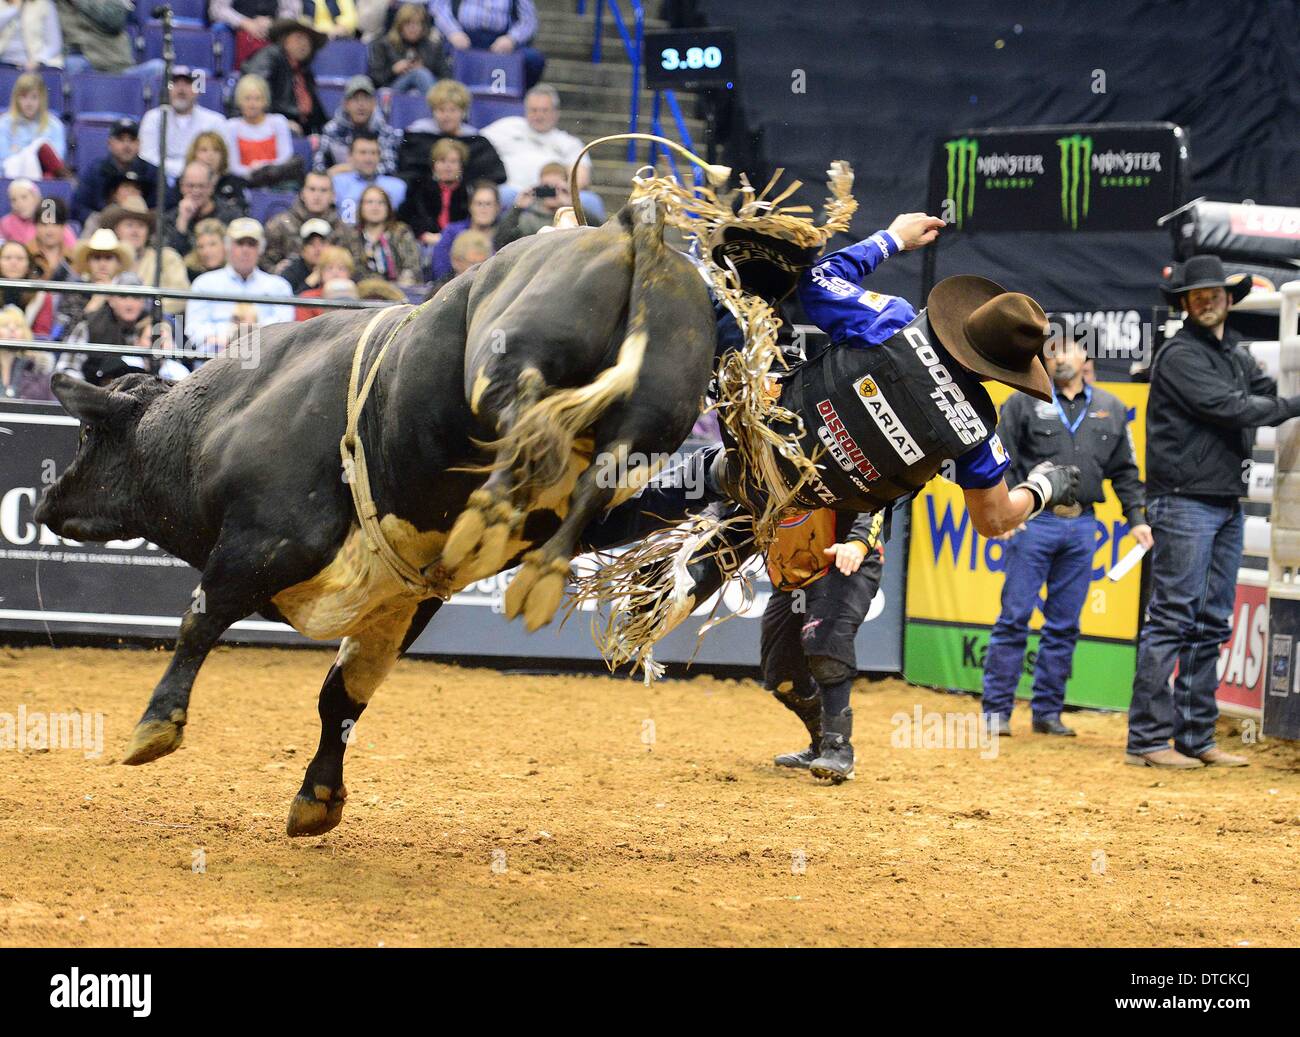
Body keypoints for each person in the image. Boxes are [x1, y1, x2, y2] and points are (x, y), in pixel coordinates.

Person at [1127, 255, 1300, 769]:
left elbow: (1256, 396)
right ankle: (1149, 739)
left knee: (1209, 620)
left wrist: (1260, 401)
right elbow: (1234, 407)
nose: (1206, 301)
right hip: (1184, 498)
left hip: (1219, 499)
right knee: (1176, 616)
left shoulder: (1232, 353)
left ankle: (1193, 735)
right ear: (1184, 303)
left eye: (1214, 294)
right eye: (1197, 295)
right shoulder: (1180, 355)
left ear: (1227, 300)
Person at [981, 339, 1151, 737]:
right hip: (1034, 521)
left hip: (1083, 527)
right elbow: (999, 456)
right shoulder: (1023, 401)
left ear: (1085, 357)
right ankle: (996, 713)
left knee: (1063, 625)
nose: (1059, 358)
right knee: (1014, 617)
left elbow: (1125, 472)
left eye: (1068, 349)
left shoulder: (1109, 408)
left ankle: (1048, 713)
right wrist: (1007, 512)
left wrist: (1138, 519)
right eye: (1051, 351)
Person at [186, 216, 294, 351]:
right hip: (216, 358)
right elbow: (194, 330)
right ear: (228, 247)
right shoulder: (204, 284)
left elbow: (284, 330)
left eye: (251, 244)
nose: (245, 250)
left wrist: (250, 333)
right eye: (240, 243)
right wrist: (229, 336)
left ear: (260, 249)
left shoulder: (279, 286)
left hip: (265, 357)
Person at [481, 85, 592, 196]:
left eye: (544, 110)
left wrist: (560, 193)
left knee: (589, 200)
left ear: (556, 112)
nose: (539, 115)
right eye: (534, 110)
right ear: (525, 110)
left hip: (549, 196)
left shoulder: (569, 143)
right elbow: (475, 143)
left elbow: (580, 178)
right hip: (509, 194)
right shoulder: (507, 126)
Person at [100, 197, 191, 316]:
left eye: (141, 226)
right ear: (116, 229)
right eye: (129, 225)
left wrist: (145, 310)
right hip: (112, 325)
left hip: (159, 322)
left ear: (148, 232)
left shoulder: (167, 257)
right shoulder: (105, 259)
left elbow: (180, 297)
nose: (135, 231)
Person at [139, 67, 230, 182]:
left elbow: (223, 159)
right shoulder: (153, 117)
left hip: (204, 181)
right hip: (161, 181)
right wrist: (186, 170)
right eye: (175, 84)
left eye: (187, 84)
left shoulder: (216, 121)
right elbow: (146, 156)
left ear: (197, 89)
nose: (181, 90)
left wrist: (194, 173)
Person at [262, 169, 365, 270]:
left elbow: (357, 265)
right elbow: (262, 260)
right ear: (302, 194)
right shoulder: (280, 224)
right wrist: (274, 270)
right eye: (312, 189)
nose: (317, 196)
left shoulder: (344, 230)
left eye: (323, 190)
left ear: (333, 196)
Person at [242, 18, 329, 136]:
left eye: (309, 41)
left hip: (299, 130)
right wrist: (280, 123)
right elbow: (254, 93)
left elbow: (317, 115)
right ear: (285, 40)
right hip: (266, 126)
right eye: (299, 38)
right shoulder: (270, 57)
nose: (304, 44)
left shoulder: (304, 73)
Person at [431, 0, 544, 90]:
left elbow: (529, 21)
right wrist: (453, 32)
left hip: (501, 40)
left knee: (534, 59)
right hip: (462, 37)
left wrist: (511, 38)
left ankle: (518, 102)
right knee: (439, 57)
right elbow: (439, 8)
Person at [72, 118, 160, 224]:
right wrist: (103, 220)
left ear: (139, 144)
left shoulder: (151, 172)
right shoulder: (96, 170)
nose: (126, 145)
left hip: (143, 227)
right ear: (110, 143)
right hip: (103, 229)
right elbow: (78, 207)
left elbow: (164, 206)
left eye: (132, 139)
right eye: (121, 139)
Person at [313, 75, 401, 176]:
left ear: (374, 103)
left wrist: (354, 170)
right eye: (355, 99)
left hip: (373, 185)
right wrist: (330, 173)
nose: (361, 105)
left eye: (366, 99)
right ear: (346, 104)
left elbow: (390, 167)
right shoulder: (332, 129)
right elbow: (318, 165)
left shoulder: (385, 131)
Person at [54, 0, 165, 78]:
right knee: (73, 63)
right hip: (86, 68)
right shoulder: (55, 5)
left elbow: (115, 19)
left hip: (119, 67)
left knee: (159, 68)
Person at [223, 74, 298, 187]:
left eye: (258, 99)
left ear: (265, 101)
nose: (252, 104)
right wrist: (253, 172)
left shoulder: (278, 121)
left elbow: (285, 158)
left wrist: (264, 168)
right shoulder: (231, 126)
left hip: (276, 181)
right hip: (245, 182)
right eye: (247, 99)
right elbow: (233, 166)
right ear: (239, 101)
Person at [58, 226, 133, 335]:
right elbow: (67, 332)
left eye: (108, 258)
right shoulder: (74, 292)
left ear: (118, 263)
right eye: (97, 258)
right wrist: (94, 304)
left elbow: (133, 330)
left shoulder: (127, 292)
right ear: (88, 262)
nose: (102, 264)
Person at [164, 161, 245, 258]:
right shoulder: (169, 219)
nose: (196, 191)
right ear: (182, 187)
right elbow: (171, 258)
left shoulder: (232, 215)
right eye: (190, 186)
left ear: (211, 187)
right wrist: (182, 221)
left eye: (201, 186)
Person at [397, 137, 468, 244]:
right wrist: (422, 235)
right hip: (424, 244)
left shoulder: (469, 192)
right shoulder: (418, 188)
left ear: (461, 166)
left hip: (461, 243)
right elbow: (407, 218)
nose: (448, 166)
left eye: (453, 161)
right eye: (442, 161)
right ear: (433, 165)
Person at [368, 4, 448, 93]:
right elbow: (374, 80)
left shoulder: (433, 47)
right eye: (408, 23)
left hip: (423, 88)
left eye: (417, 24)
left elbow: (446, 79)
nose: (413, 28)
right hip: (392, 91)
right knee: (419, 74)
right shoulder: (383, 44)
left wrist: (425, 69)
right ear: (399, 25)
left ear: (423, 27)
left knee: (421, 73)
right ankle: (436, 104)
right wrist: (393, 70)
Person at [0, 71, 66, 179]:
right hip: (14, 178)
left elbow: (57, 161)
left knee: (45, 153)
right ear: (16, 98)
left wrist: (18, 150)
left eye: (34, 97)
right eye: (24, 97)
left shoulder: (55, 125)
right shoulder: (4, 124)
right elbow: (2, 162)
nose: (29, 103)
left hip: (44, 178)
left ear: (42, 99)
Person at [430, 178, 499, 279]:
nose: (483, 209)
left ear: (497, 208)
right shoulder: (452, 232)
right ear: (470, 206)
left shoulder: (503, 235)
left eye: (488, 204)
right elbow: (440, 269)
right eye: (479, 204)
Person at [355, 185, 421, 285]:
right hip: (362, 289)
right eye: (369, 202)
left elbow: (412, 266)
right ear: (361, 207)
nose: (375, 207)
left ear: (388, 207)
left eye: (381, 202)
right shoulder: (351, 236)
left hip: (399, 289)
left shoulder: (401, 232)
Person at [332, 131, 407, 218]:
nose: (368, 159)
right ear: (350, 156)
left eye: (373, 153)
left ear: (380, 156)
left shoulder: (397, 187)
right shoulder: (337, 182)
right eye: (363, 152)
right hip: (345, 231)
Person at [493, 161, 569, 246]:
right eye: (546, 187)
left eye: (556, 187)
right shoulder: (527, 218)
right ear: (539, 187)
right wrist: (517, 209)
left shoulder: (572, 215)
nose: (552, 192)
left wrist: (570, 204)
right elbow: (501, 242)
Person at [209, 0, 300, 69]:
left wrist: (273, 24)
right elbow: (218, 9)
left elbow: (291, 12)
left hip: (274, 31)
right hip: (237, 31)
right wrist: (245, 22)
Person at [185, 131, 251, 216]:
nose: (210, 155)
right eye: (204, 150)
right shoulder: (183, 181)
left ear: (223, 154)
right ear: (194, 154)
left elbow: (242, 210)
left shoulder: (235, 182)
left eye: (216, 150)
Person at [0, 179, 76, 249]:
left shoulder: (51, 218)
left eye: (24, 197)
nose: (19, 203)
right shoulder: (5, 223)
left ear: (36, 197)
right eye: (13, 200)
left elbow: (72, 247)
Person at [0, 239, 53, 337]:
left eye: (20, 258)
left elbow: (42, 334)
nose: (13, 263)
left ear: (29, 264)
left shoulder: (41, 295)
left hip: (29, 348)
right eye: (7, 258)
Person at [0, 303, 52, 400]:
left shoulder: (37, 369)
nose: (12, 329)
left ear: (24, 333)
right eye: (5, 325)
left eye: (18, 326)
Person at [294, 243, 355, 320]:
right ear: (321, 273)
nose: (335, 273)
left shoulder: (361, 297)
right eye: (329, 268)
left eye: (341, 268)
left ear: (350, 273)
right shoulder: (307, 299)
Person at [0, 0, 63, 72]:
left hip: (37, 64)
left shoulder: (44, 4)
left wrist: (38, 60)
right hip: (3, 63)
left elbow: (54, 44)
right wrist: (15, 9)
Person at [27, 196, 75, 285]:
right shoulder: (25, 255)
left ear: (64, 226)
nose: (49, 231)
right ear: (35, 225)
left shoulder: (74, 257)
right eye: (44, 224)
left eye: (55, 224)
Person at [276, 216, 331, 291]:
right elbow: (287, 299)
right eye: (311, 244)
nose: (318, 249)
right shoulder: (292, 271)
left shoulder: (340, 268)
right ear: (302, 250)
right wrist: (309, 283)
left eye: (322, 243)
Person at [184, 217, 228, 282]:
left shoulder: (237, 272)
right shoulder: (188, 274)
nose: (206, 252)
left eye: (212, 244)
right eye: (201, 247)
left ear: (225, 244)